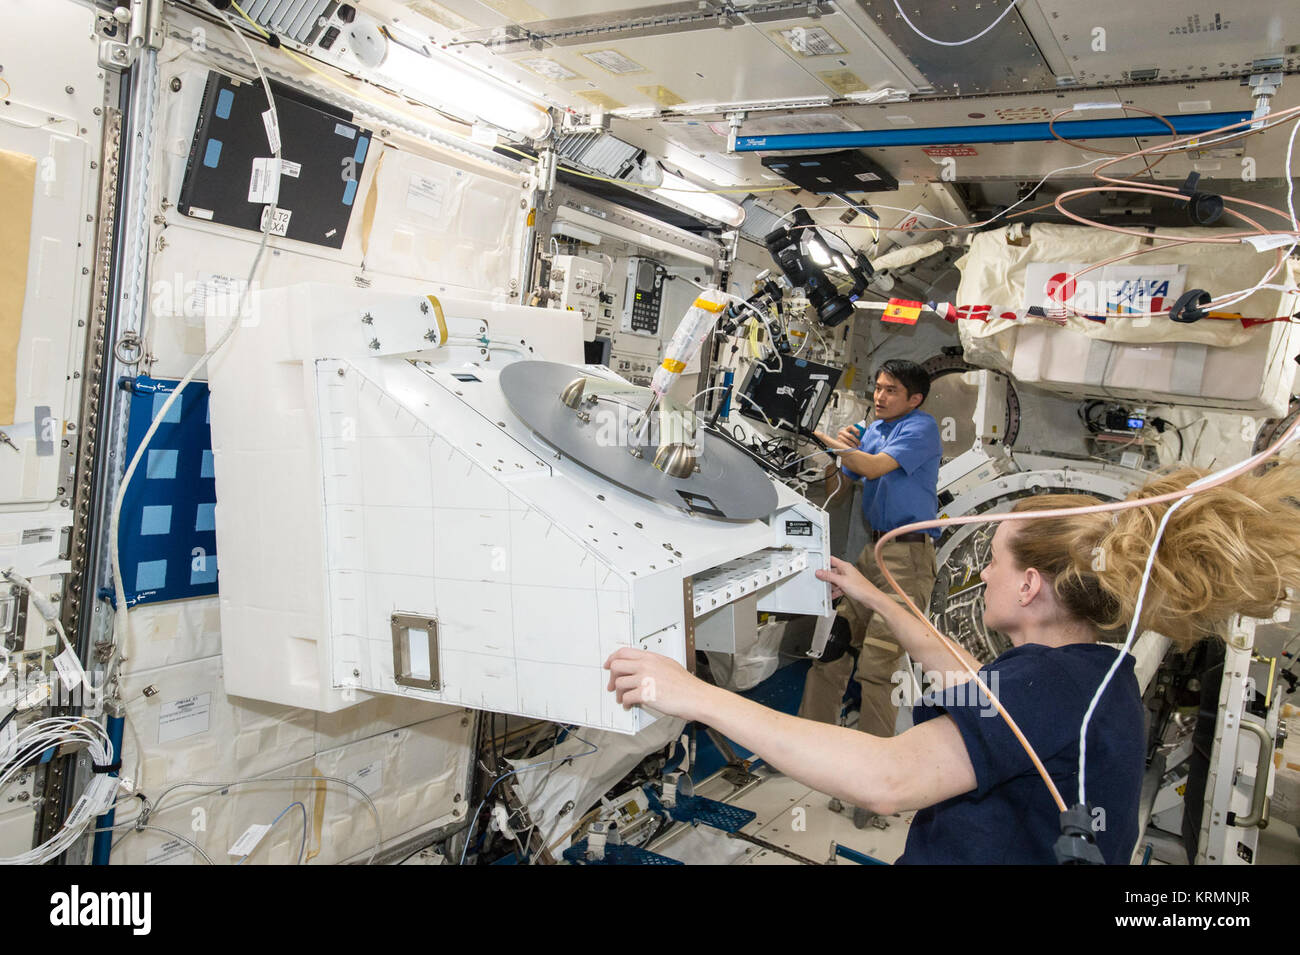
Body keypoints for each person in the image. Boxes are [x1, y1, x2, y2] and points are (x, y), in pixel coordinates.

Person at [604, 464, 1300, 864]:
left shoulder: (1046, 684)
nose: (982, 574)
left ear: (1030, 586)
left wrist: (695, 693)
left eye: (994, 559)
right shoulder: (1089, 672)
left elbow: (887, 778)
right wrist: (880, 600)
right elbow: (975, 691)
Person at [803, 359, 941, 826]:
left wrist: (822, 438)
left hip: (908, 561)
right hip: (873, 554)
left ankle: (874, 793)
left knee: (878, 670)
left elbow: (874, 466)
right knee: (831, 651)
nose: (879, 397)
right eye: (877, 388)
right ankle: (811, 758)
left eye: (891, 391)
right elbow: (840, 490)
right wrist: (830, 458)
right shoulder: (872, 428)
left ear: (914, 399)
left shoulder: (920, 429)